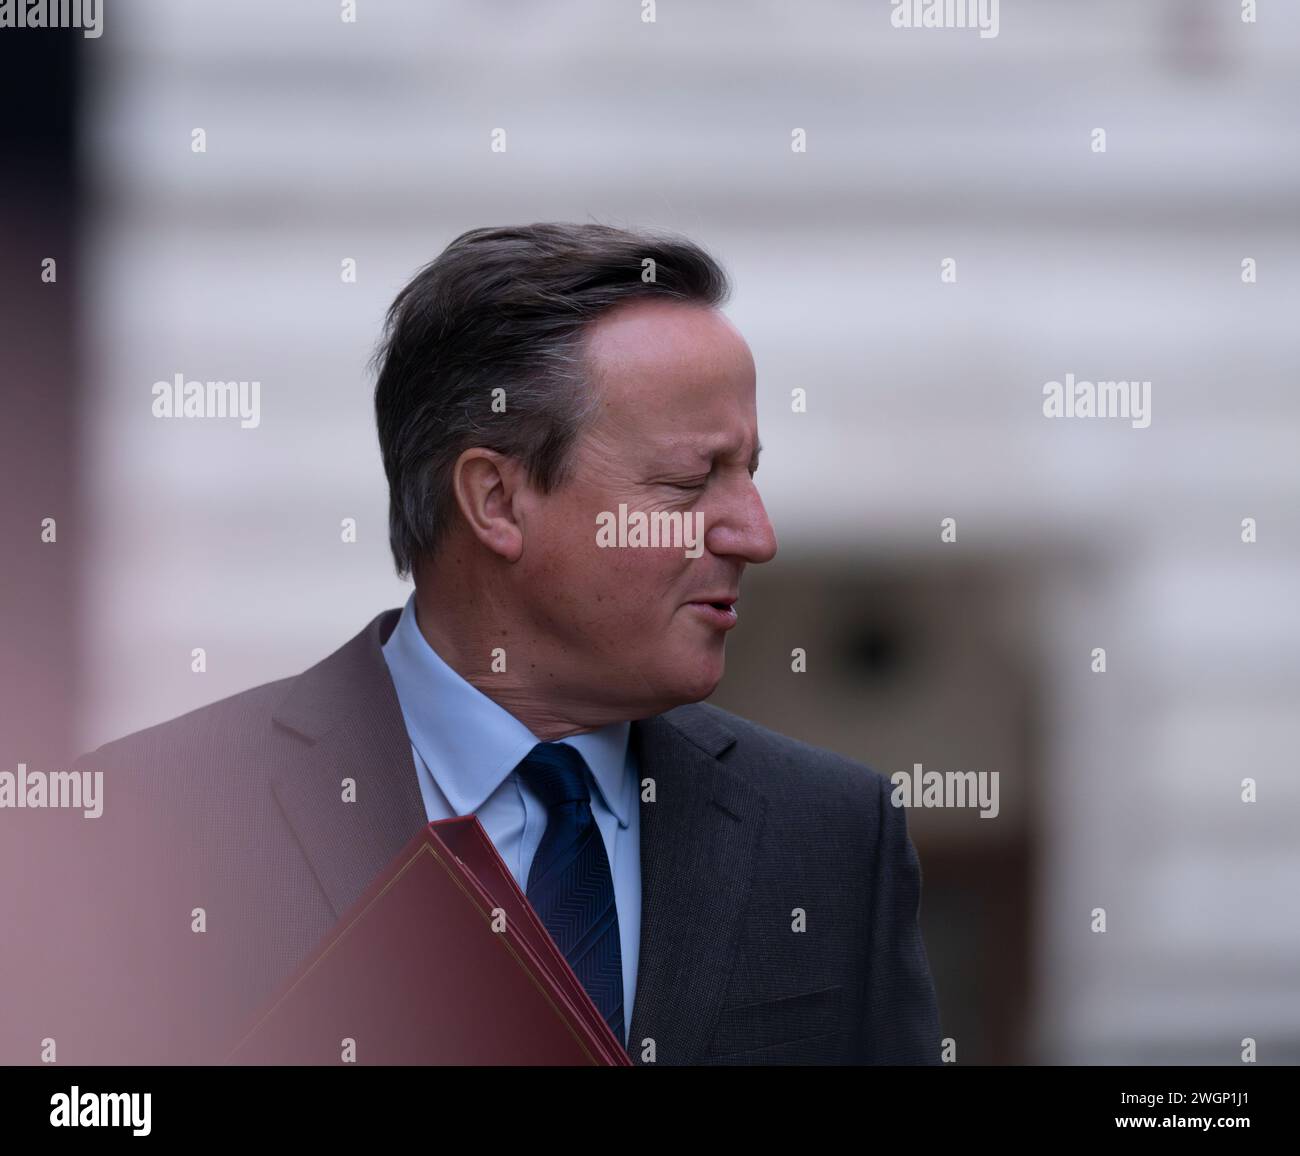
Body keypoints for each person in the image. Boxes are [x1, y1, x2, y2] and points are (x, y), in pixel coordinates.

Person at [66, 222, 941, 1065]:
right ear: (496, 501)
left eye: (751, 473)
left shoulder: (828, 836)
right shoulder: (145, 827)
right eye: (689, 482)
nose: (755, 533)